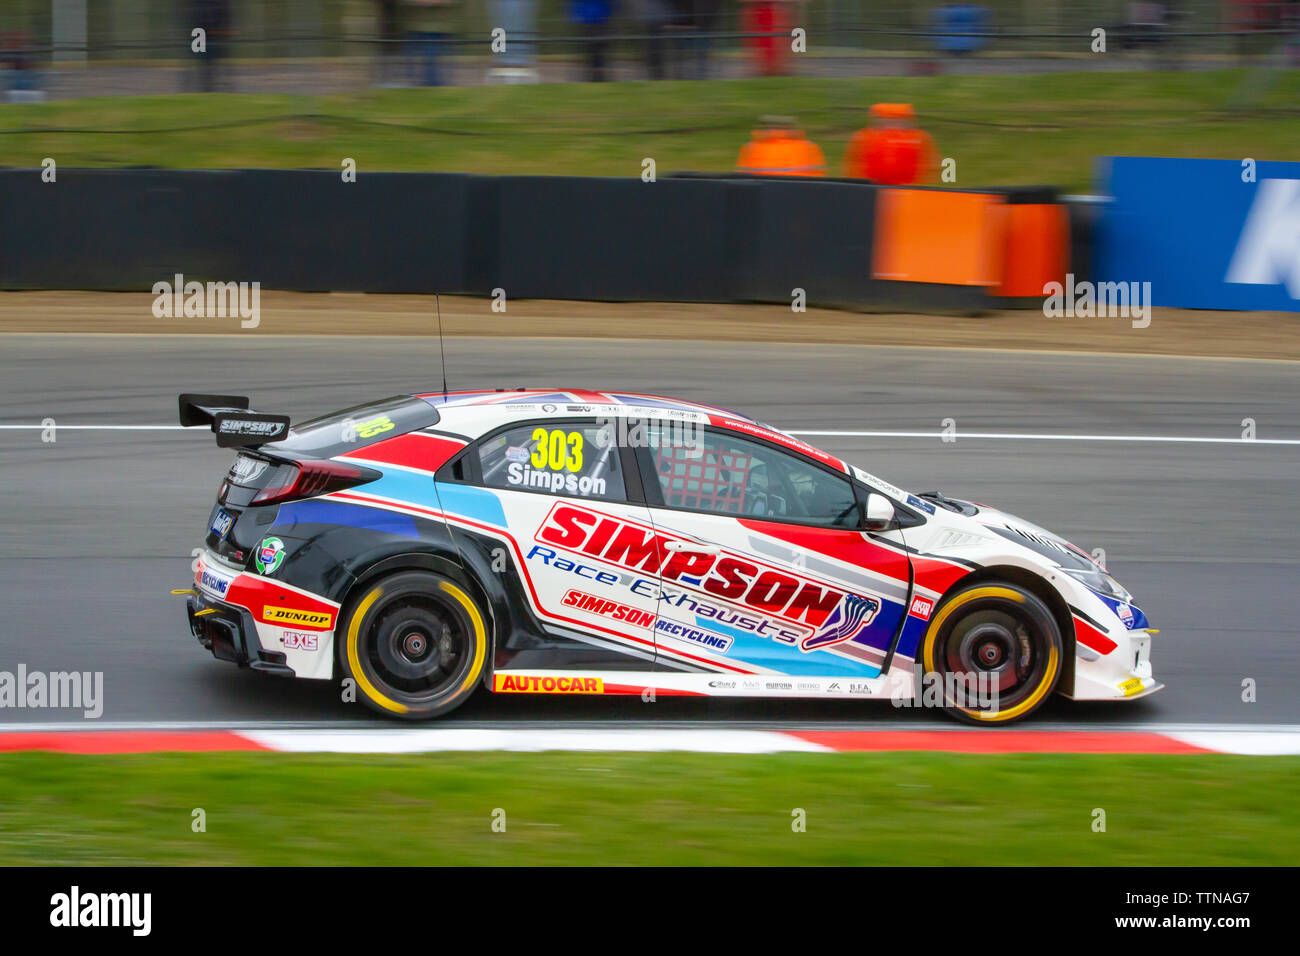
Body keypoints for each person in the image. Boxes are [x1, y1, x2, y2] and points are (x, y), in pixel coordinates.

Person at [843, 103, 937, 185]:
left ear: (906, 121)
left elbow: (929, 167)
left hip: (909, 189)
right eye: (887, 120)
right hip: (872, 187)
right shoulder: (864, 137)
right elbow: (853, 167)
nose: (892, 125)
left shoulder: (919, 138)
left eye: (897, 120)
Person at [735, 116, 826, 177]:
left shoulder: (751, 147)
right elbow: (819, 179)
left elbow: (742, 179)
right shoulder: (809, 147)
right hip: (800, 197)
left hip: (763, 198)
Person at [402, 0, 456, 87]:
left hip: (435, 27)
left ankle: (432, 83)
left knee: (432, 56)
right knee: (416, 58)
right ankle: (419, 83)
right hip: (416, 26)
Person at [571, 0, 616, 81]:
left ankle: (597, 76)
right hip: (595, 22)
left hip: (597, 22)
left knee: (596, 53)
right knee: (595, 53)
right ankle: (596, 76)